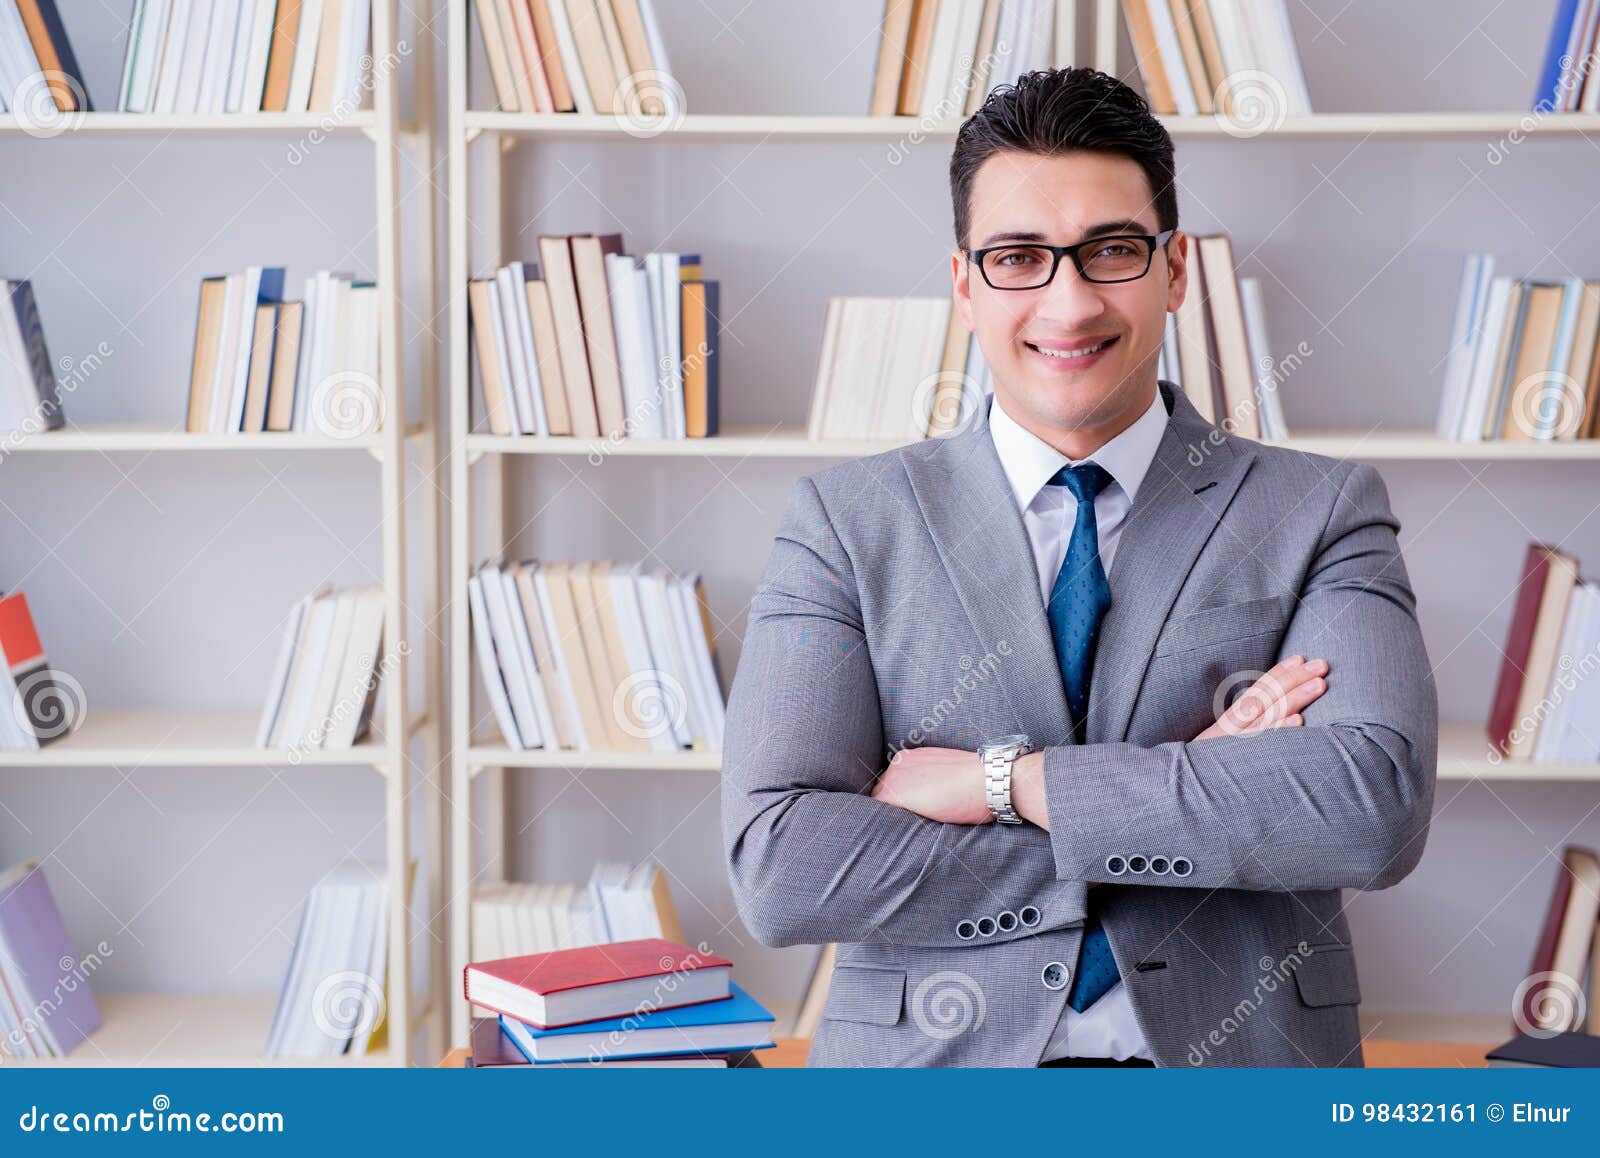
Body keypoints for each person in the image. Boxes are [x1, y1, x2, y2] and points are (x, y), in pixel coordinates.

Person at [721, 66, 1437, 1067]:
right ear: (966, 285)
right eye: (1018, 256)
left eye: (1109, 250)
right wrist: (1204, 788)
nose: (1068, 302)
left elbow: (1369, 814)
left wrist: (997, 782)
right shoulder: (846, 523)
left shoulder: (1320, 509)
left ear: (1174, 268)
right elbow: (782, 870)